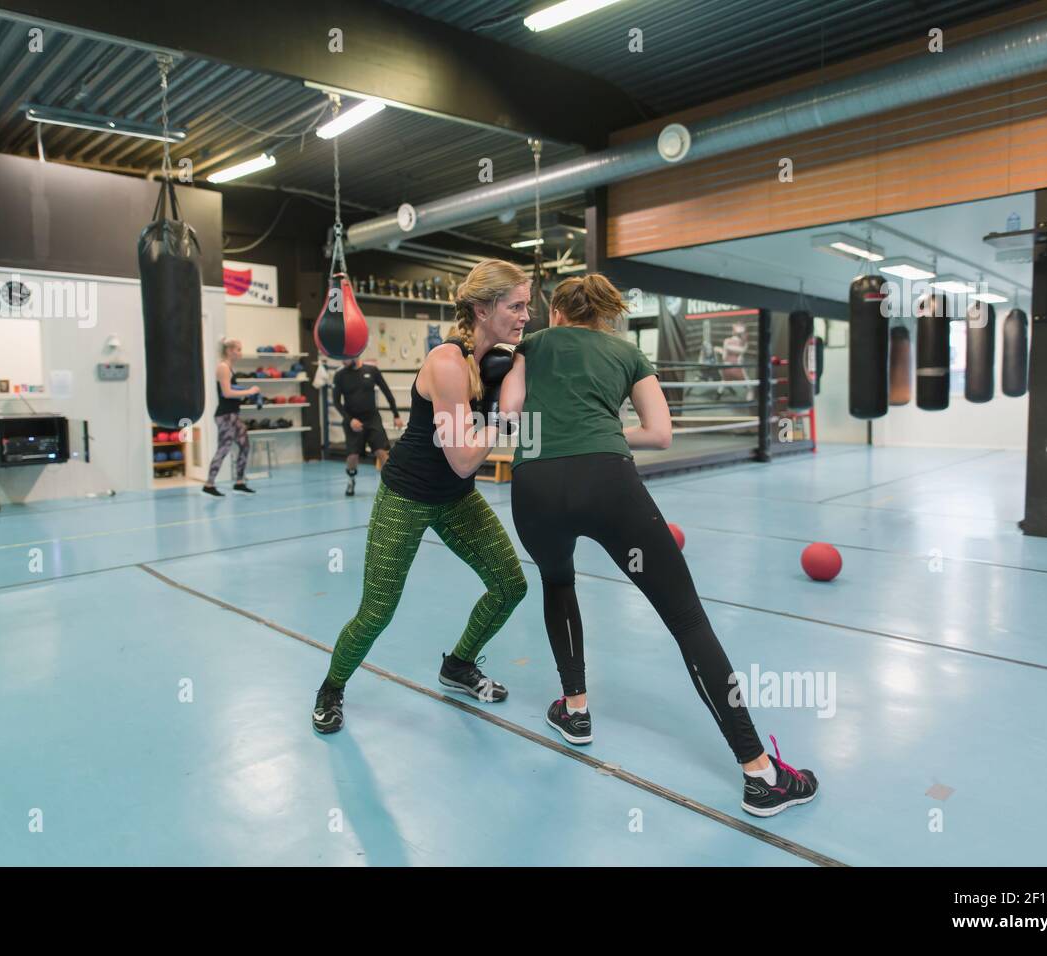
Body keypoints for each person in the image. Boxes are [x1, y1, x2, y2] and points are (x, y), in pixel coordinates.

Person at [500, 274, 818, 817]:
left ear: (556, 311)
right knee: (688, 620)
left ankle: (575, 709)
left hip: (534, 488)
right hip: (608, 482)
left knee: (557, 581)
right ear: (604, 315)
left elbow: (509, 417)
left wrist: (556, 434)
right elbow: (661, 433)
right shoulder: (626, 353)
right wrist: (600, 435)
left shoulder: (529, 346)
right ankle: (759, 773)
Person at [313, 260, 530, 734]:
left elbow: (507, 412)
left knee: (511, 585)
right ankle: (331, 688)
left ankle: (458, 665)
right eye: (515, 306)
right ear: (481, 308)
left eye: (527, 305)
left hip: (455, 499)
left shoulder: (501, 358)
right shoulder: (448, 364)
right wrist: (498, 414)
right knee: (377, 611)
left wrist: (519, 367)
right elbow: (464, 460)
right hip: (407, 496)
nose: (525, 316)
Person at [333, 357, 403, 497]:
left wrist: (396, 415)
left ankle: (391, 486)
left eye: (345, 358)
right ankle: (351, 480)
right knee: (352, 456)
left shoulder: (371, 371)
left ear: (355, 355)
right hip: (352, 421)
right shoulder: (340, 375)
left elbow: (387, 393)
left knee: (382, 453)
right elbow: (336, 402)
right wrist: (350, 420)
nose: (342, 361)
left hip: (372, 419)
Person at [204, 338, 261, 497]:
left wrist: (247, 393)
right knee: (224, 448)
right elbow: (227, 393)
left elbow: (232, 390)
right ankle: (209, 485)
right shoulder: (223, 367)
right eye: (238, 349)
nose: (240, 352)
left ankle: (240, 482)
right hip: (225, 416)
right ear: (229, 351)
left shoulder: (229, 368)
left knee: (244, 445)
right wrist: (249, 391)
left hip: (233, 415)